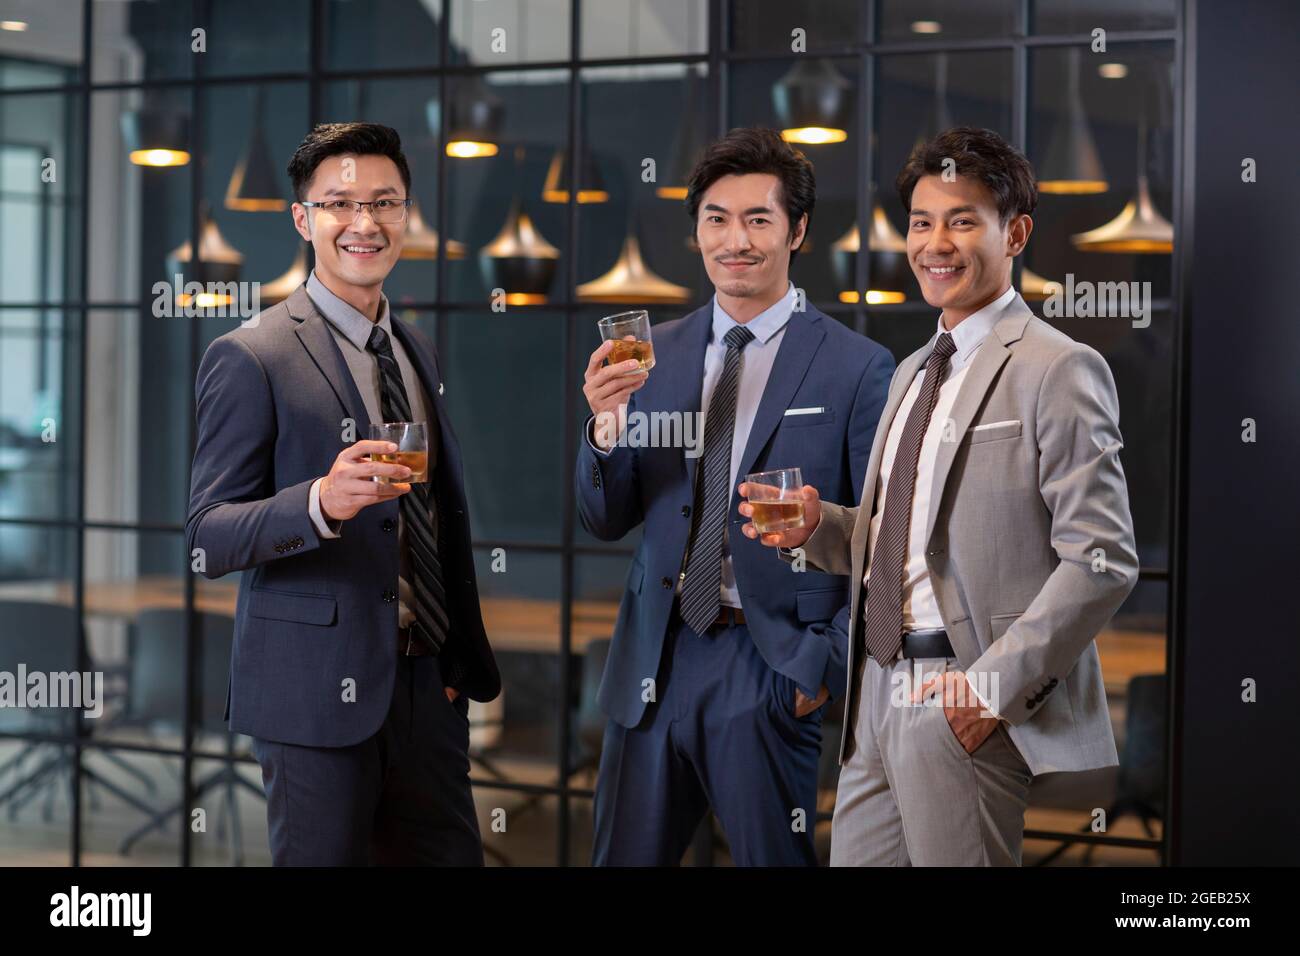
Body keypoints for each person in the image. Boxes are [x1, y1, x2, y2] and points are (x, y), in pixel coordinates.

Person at [744, 126, 1138, 866]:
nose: (935, 243)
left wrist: (987, 690)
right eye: (922, 223)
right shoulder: (914, 370)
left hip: (962, 697)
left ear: (1014, 232)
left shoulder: (1059, 368)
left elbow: (1103, 558)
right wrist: (821, 527)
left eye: (962, 221)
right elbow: (907, 532)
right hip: (875, 697)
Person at [578, 127, 895, 865]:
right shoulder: (651, 354)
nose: (736, 240)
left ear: (798, 230)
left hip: (771, 661)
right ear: (696, 231)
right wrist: (602, 431)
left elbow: (887, 536)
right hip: (654, 658)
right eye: (717, 218)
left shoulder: (858, 367)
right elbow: (604, 518)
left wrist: (821, 669)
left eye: (759, 219)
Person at [187, 122, 499, 865]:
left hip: (427, 691)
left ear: (407, 217)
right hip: (313, 696)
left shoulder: (412, 348)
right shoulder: (249, 355)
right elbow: (206, 535)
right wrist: (320, 501)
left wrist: (447, 668)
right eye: (339, 204)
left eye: (385, 203)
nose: (365, 223)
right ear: (303, 219)